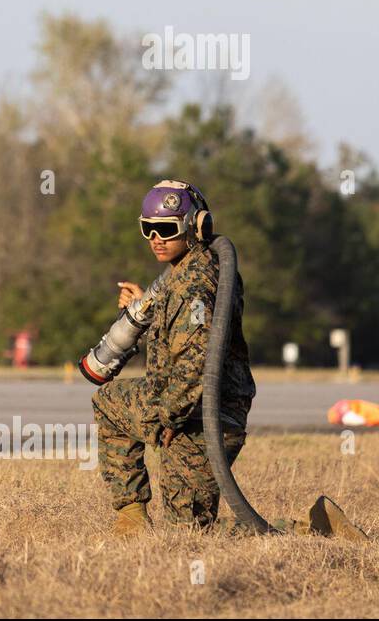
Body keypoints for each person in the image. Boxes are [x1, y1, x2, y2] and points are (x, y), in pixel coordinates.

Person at [91, 180, 256, 535]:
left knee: (190, 532)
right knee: (110, 403)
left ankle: (309, 529)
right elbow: (180, 336)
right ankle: (131, 518)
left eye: (166, 229)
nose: (155, 238)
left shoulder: (196, 283)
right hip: (186, 406)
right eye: (147, 228)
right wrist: (146, 307)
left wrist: (168, 418)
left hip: (206, 416)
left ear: (195, 226)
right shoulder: (188, 271)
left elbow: (195, 362)